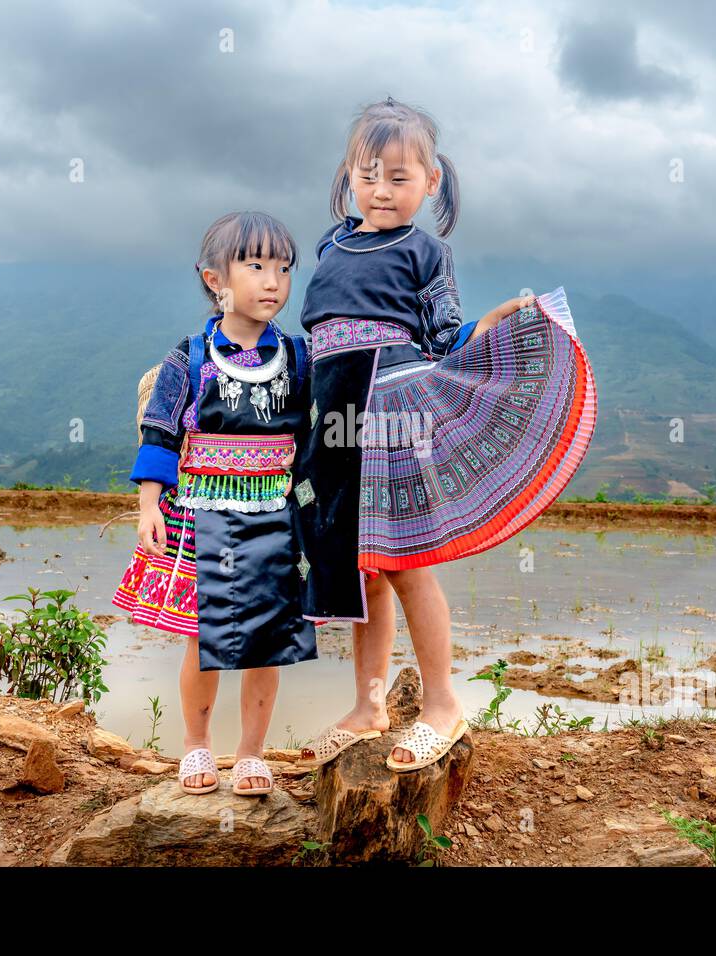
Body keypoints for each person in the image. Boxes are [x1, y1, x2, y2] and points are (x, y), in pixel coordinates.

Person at [294, 97, 597, 772]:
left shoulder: (427, 251)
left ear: (431, 183)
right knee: (359, 569)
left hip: (395, 407)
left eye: (400, 177)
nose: (381, 188)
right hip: (334, 414)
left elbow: (441, 338)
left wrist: (491, 327)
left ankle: (442, 706)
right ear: (348, 174)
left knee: (403, 564)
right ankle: (369, 704)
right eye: (368, 173)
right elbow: (318, 337)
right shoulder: (328, 244)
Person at [112, 211, 316, 796]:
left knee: (268, 642)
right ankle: (196, 747)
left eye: (283, 268)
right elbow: (160, 433)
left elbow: (314, 442)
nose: (272, 281)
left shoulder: (300, 359)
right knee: (203, 639)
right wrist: (149, 504)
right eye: (255, 266)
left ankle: (251, 753)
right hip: (201, 514)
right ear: (213, 278)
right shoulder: (190, 359)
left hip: (276, 518)